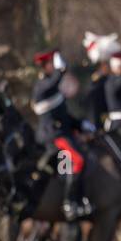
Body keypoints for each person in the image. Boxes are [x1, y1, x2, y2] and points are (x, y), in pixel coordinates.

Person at [31, 49, 93, 221]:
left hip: (64, 134)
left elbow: (63, 115)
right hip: (54, 138)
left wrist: (81, 124)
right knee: (77, 161)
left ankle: (81, 199)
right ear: (45, 66)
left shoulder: (53, 87)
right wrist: (61, 71)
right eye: (51, 63)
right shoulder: (42, 87)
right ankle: (69, 202)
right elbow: (53, 84)